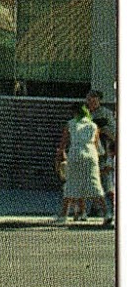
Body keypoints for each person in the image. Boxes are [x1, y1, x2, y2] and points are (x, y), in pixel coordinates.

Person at [58, 101, 107, 223]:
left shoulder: (70, 124)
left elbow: (63, 142)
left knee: (71, 184)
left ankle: (63, 216)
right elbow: (96, 144)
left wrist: (61, 154)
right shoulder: (93, 126)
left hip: (75, 153)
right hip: (90, 154)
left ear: (75, 112)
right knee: (94, 184)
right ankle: (107, 213)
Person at [85, 90, 115, 227]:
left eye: (94, 100)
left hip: (104, 151)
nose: (91, 103)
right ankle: (94, 208)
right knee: (90, 181)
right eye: (89, 100)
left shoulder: (105, 113)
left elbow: (114, 132)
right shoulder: (86, 114)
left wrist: (101, 130)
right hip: (89, 151)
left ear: (99, 100)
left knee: (106, 181)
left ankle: (111, 210)